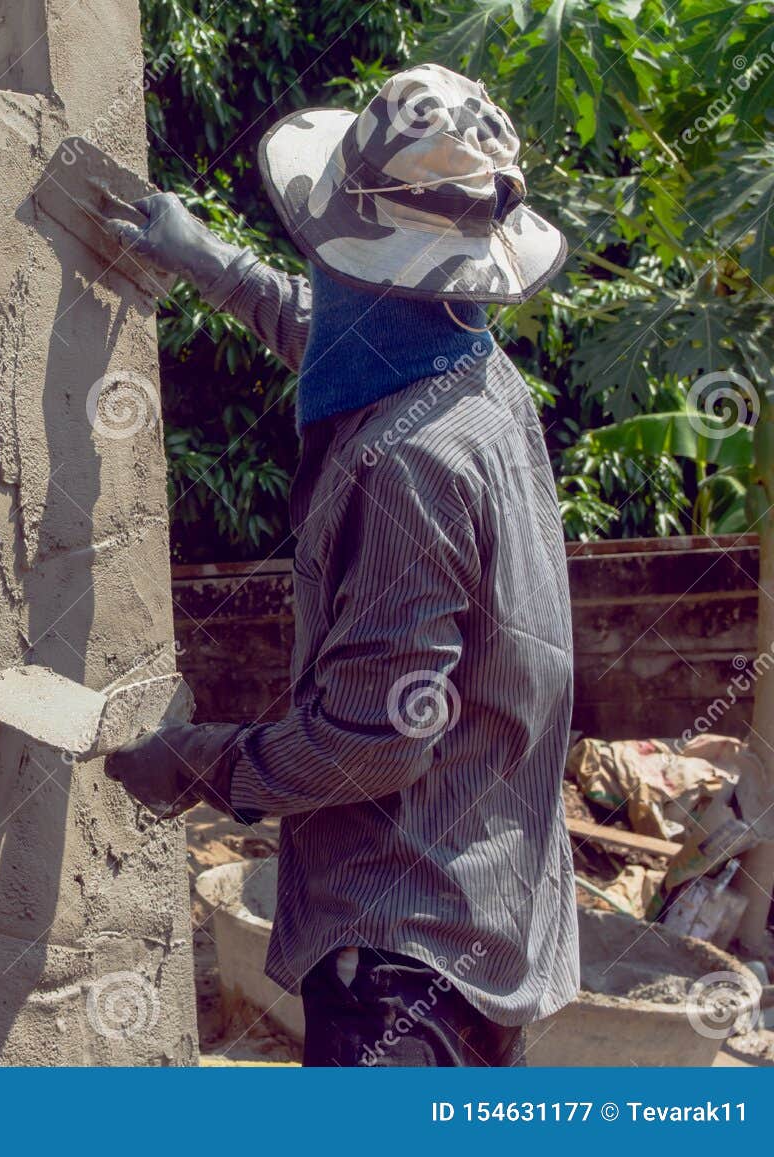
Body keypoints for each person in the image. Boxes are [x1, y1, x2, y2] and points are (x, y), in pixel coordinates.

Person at [103, 64, 578, 1067]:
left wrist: (198, 762)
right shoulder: (470, 376)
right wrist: (212, 265)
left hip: (404, 965)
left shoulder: (408, 467)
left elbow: (371, 741)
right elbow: (337, 342)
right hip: (486, 920)